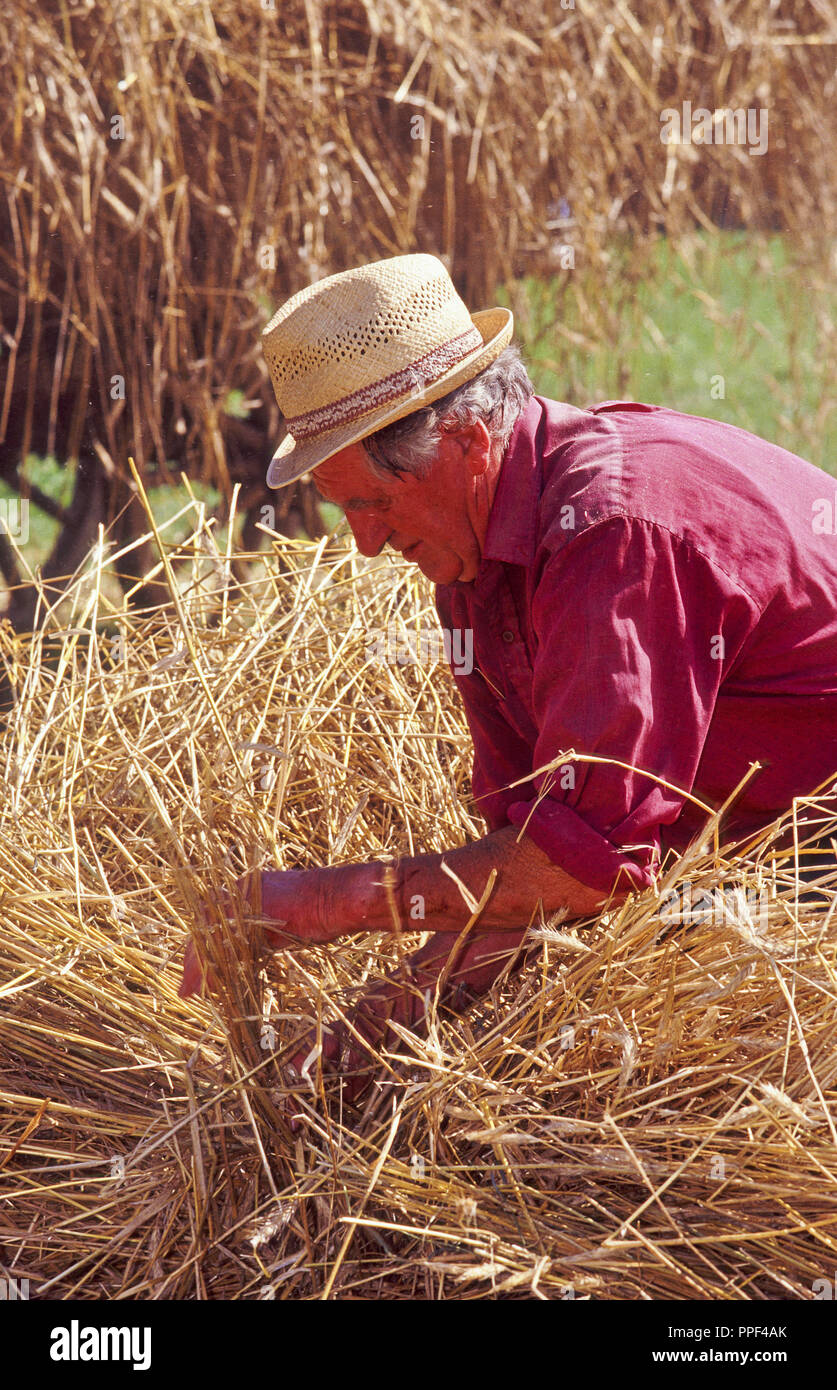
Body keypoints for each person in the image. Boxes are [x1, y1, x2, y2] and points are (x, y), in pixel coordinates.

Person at [179, 253, 837, 1094]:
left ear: (464, 443)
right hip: (775, 841)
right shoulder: (477, 555)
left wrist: (323, 903)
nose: (365, 544)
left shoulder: (611, 533)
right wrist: (372, 1035)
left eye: (370, 504)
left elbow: (577, 870)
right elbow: (530, 866)